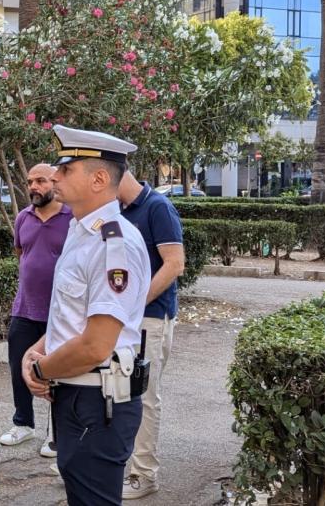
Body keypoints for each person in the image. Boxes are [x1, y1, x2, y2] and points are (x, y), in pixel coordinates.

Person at [22, 125, 151, 505]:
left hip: (96, 401)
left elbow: (96, 345)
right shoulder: (82, 232)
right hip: (79, 395)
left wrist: (41, 369)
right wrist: (39, 348)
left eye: (66, 169)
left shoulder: (114, 244)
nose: (55, 176)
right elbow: (74, 316)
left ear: (98, 179)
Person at [117, 171, 185, 500]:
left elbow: (174, 264)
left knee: (143, 396)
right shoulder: (119, 211)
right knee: (118, 392)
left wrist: (136, 303)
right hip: (122, 319)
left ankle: (144, 475)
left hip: (150, 318)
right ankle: (117, 465)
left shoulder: (158, 207)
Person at [0, 164, 71, 459]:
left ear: (55, 182)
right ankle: (23, 423)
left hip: (61, 312)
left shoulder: (72, 217)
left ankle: (57, 434)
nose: (33, 187)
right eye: (30, 181)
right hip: (25, 308)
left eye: (40, 181)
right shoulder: (23, 218)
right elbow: (22, 254)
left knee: (59, 373)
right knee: (19, 366)